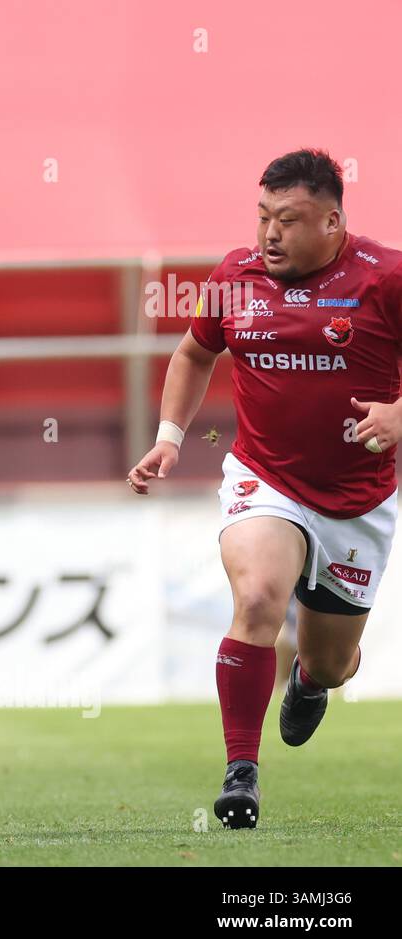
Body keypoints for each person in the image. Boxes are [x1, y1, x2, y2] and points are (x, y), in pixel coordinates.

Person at [128, 148, 402, 829]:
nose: (269, 234)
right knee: (256, 600)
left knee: (333, 663)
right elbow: (195, 352)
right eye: (262, 217)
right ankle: (240, 774)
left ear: (333, 222)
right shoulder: (234, 276)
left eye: (288, 219)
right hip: (266, 477)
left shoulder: (386, 277)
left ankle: (314, 678)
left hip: (359, 498)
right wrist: (169, 436)